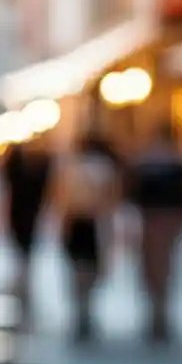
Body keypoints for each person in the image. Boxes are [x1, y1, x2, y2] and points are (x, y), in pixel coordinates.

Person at [51, 132, 121, 341]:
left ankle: (81, 307)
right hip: (91, 222)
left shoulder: (71, 166)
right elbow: (113, 198)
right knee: (90, 269)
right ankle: (85, 307)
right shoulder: (101, 167)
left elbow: (60, 197)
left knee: (78, 268)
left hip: (79, 221)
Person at [130, 123, 182, 342]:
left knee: (158, 266)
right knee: (157, 266)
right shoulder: (160, 164)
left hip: (161, 220)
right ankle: (157, 311)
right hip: (157, 220)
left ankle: (159, 311)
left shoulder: (160, 164)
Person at [2, 134, 54, 328]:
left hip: (31, 215)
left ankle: (25, 284)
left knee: (27, 253)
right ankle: (22, 284)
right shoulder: (17, 165)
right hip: (19, 214)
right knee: (21, 253)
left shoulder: (41, 166)